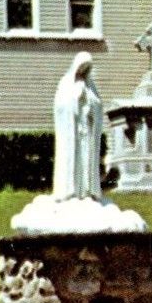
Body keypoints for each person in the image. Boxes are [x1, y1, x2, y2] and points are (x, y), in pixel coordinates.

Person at [52, 52, 103, 200]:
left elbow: (98, 105)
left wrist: (90, 102)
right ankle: (70, 191)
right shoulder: (66, 83)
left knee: (86, 161)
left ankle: (86, 192)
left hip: (86, 131)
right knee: (71, 161)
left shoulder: (90, 85)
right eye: (81, 67)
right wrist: (75, 98)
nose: (82, 71)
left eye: (86, 68)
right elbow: (60, 106)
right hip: (71, 132)